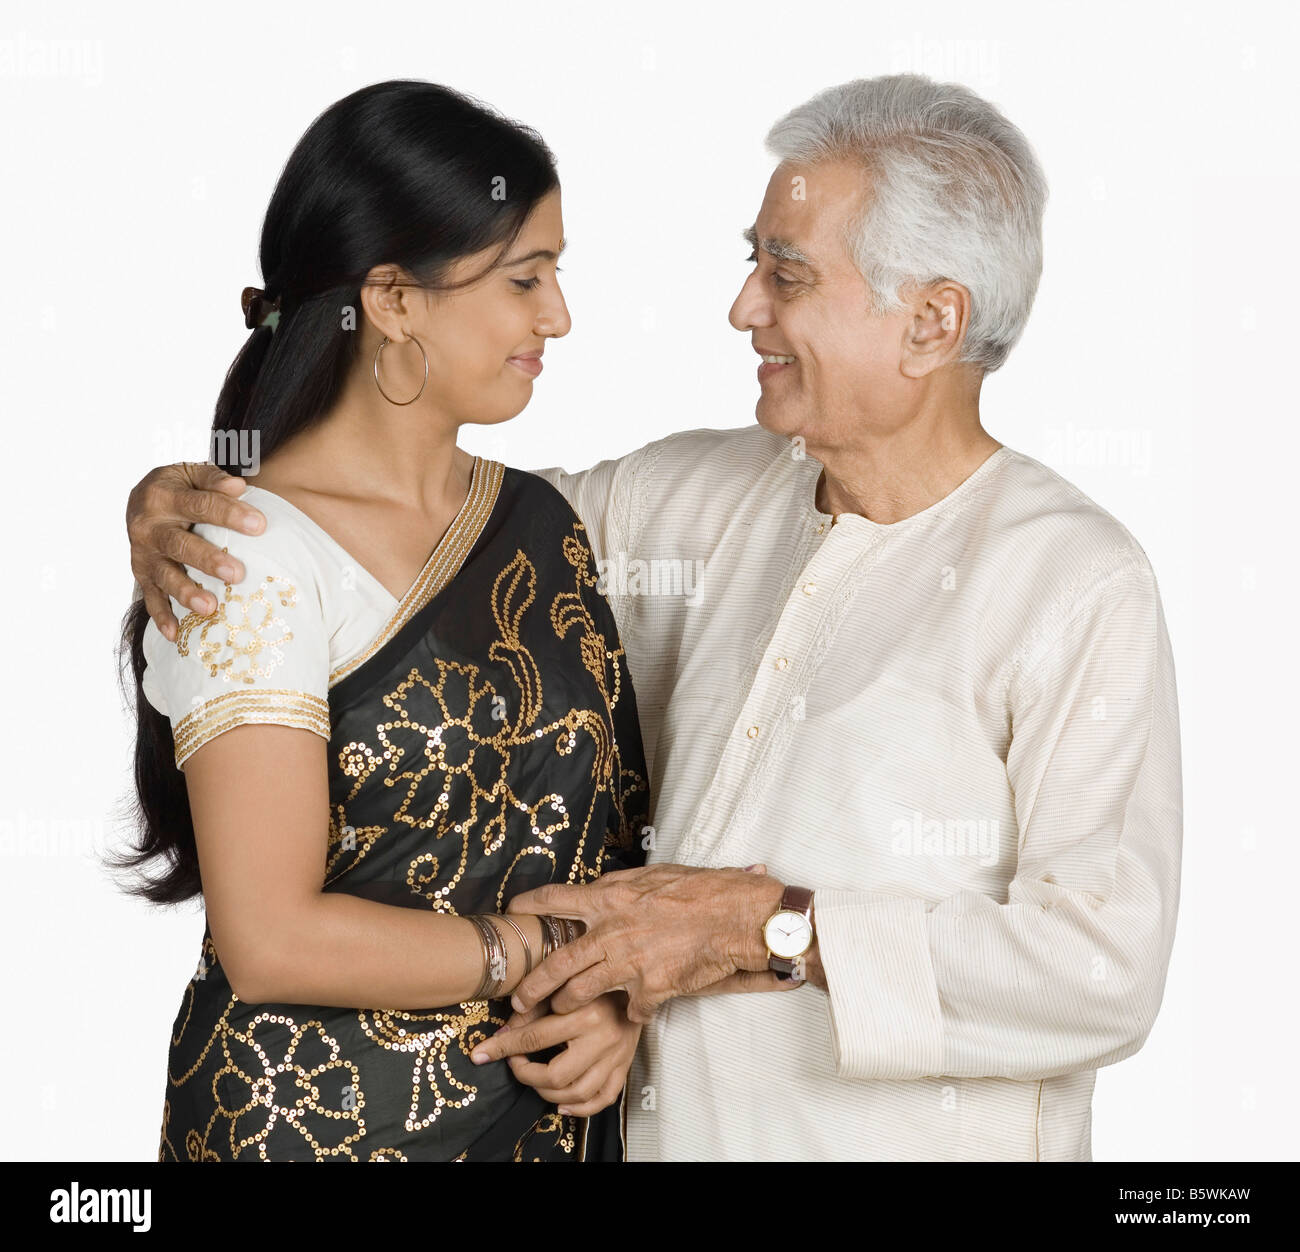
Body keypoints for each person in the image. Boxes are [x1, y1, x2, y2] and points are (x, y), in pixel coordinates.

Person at [123, 74, 1183, 1161]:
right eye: (752, 261)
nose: (744, 308)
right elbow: (392, 539)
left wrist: (770, 928)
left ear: (930, 321)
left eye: (788, 273)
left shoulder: (1071, 583)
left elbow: (1101, 971)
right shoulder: (697, 504)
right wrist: (209, 499)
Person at [112, 79, 651, 1162]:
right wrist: (536, 950)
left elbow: (608, 838)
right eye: (524, 277)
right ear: (395, 300)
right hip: (308, 1119)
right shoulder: (247, 552)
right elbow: (270, 939)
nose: (558, 316)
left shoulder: (541, 519)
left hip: (545, 1109)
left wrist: (613, 995)